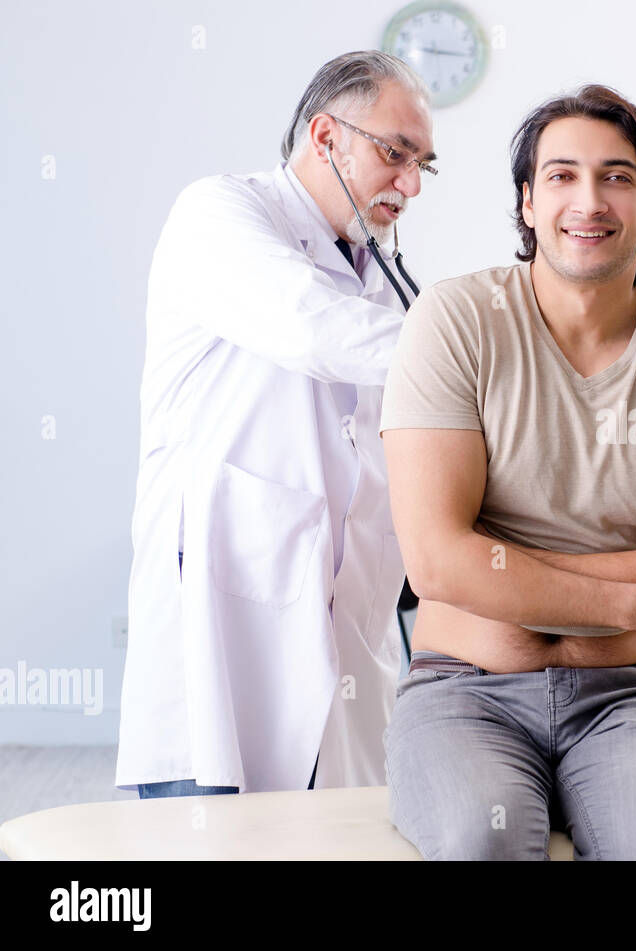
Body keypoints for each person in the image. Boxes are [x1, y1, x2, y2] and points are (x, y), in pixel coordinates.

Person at [380, 84, 636, 859]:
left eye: (619, 176)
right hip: (462, 691)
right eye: (561, 175)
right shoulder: (454, 321)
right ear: (526, 202)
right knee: (475, 841)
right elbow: (434, 561)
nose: (590, 199)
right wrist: (635, 599)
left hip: (634, 696)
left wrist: (497, 570)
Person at [115, 51, 436, 797]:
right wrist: (495, 357)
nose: (412, 184)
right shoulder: (219, 212)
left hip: (345, 618)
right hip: (229, 604)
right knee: (215, 828)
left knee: (340, 833)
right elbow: (311, 329)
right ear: (325, 136)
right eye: (396, 153)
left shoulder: (379, 278)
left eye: (424, 165)